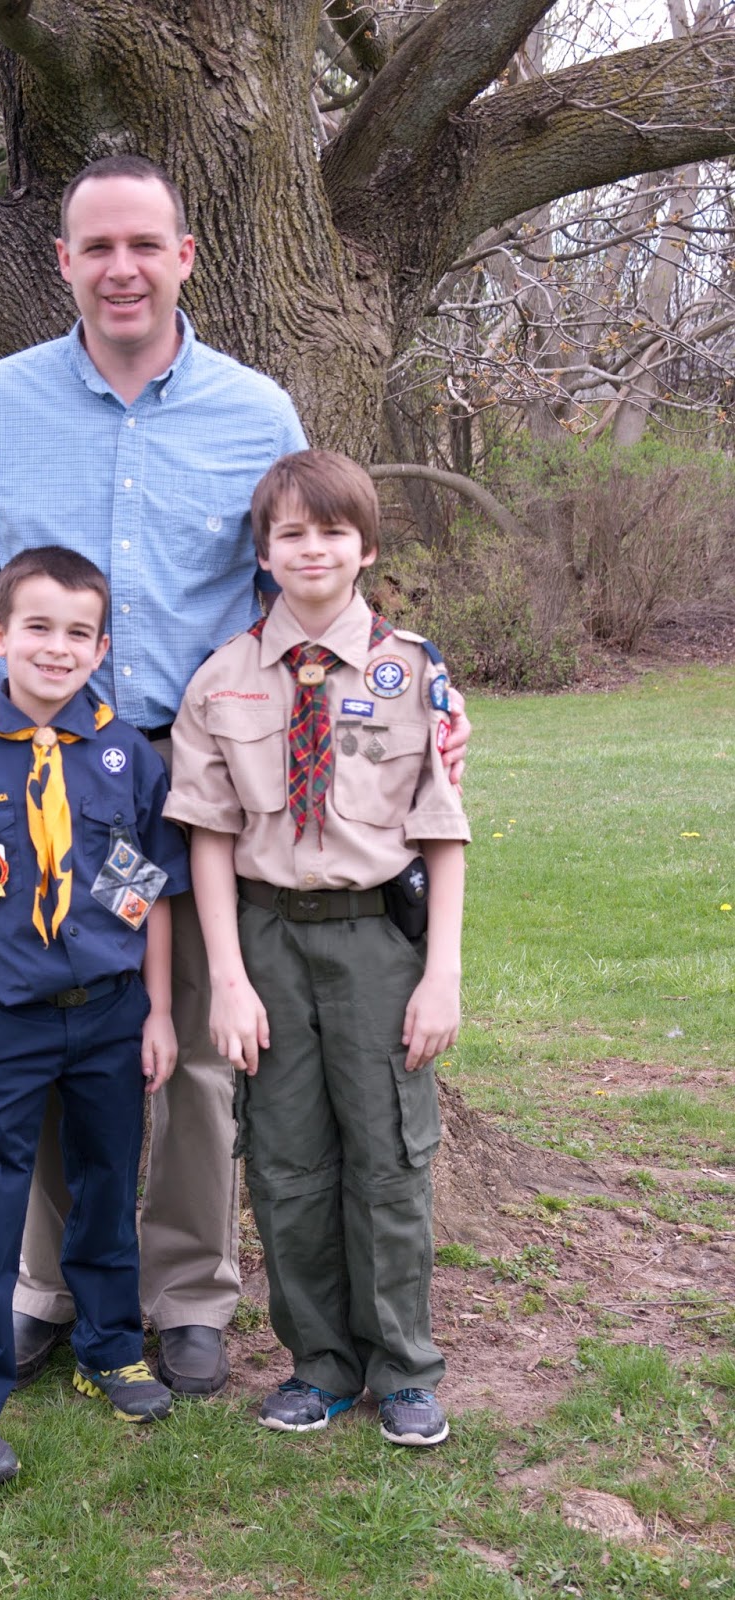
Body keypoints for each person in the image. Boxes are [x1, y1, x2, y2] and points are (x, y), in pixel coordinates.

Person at [0, 154, 471, 1399]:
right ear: (63, 261)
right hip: (40, 767)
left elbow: (311, 578)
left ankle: (186, 1295)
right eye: (95, 245)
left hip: (208, 766)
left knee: (205, 1038)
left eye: (143, 245)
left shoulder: (253, 408)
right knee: (43, 1025)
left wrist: (418, 680)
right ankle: (51, 1284)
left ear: (183, 257)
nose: (120, 267)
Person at [164, 451, 469, 1447]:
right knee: (286, 1157)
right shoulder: (220, 680)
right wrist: (227, 980)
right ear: (262, 553)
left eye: (331, 531)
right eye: (290, 533)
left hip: (377, 940)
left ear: (366, 547)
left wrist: (440, 975)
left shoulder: (413, 670)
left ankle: (404, 1364)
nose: (311, 548)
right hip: (263, 938)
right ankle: (319, 1363)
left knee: (388, 1153)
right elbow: (207, 836)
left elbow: (440, 830)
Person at [0, 546, 190, 1488]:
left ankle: (108, 1348)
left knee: (107, 1184)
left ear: (101, 649)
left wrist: (161, 1013)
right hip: (7, 1022)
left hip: (110, 1011)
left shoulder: (123, 754)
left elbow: (150, 890)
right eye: (38, 629)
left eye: (77, 634)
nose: (56, 649)